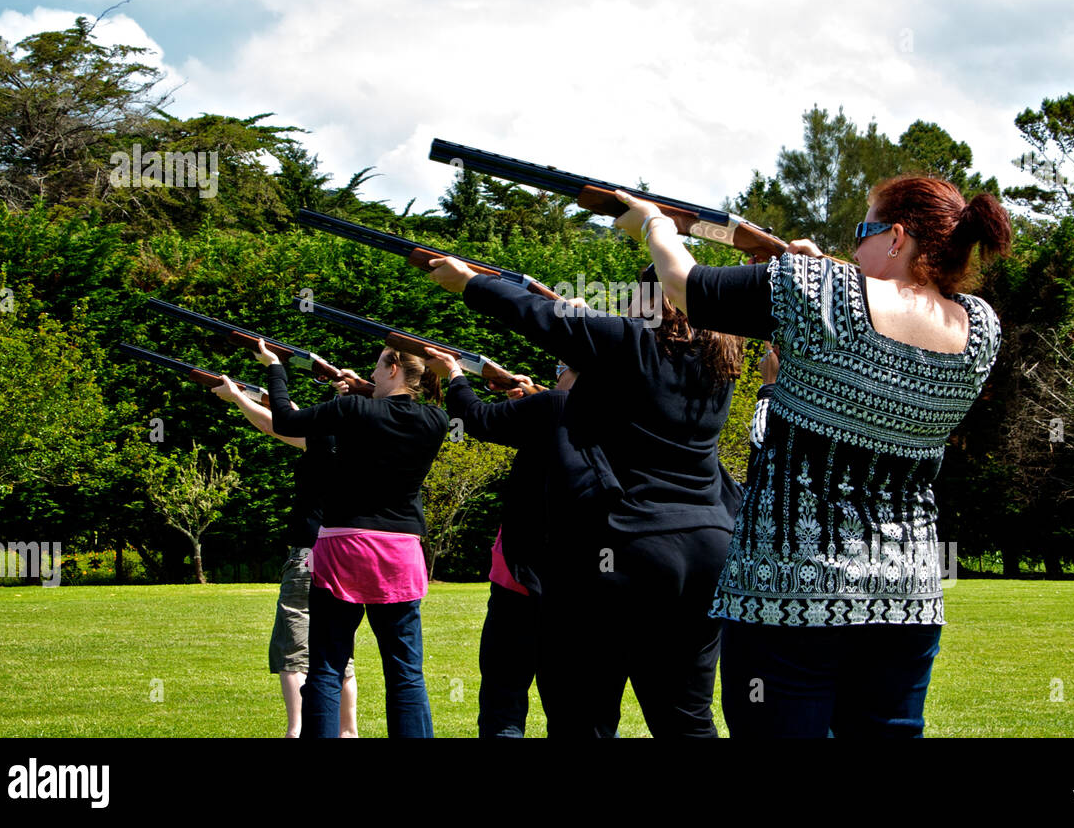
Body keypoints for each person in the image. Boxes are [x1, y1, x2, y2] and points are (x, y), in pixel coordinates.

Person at [614, 175, 1010, 738]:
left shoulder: (816, 288)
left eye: (862, 230)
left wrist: (654, 223)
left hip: (790, 588)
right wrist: (813, 272)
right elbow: (874, 334)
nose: (852, 248)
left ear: (896, 236)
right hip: (907, 593)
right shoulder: (982, 327)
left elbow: (683, 284)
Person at [425, 260, 744, 738]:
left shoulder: (633, 343)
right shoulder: (717, 362)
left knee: (583, 715)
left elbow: (540, 319)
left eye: (633, 297)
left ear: (657, 299)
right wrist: (582, 324)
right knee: (685, 716)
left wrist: (472, 282)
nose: (623, 307)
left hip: (631, 545)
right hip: (709, 547)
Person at [253, 338, 449, 738]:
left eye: (378, 366)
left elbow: (286, 421)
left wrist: (274, 367)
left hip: (343, 546)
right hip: (401, 551)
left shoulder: (352, 409)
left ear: (393, 368)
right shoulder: (436, 421)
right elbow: (392, 413)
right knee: (406, 673)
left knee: (325, 666)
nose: (372, 373)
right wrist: (361, 389)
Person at [420, 350, 578, 737]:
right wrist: (532, 393)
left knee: (503, 700)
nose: (555, 377)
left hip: (521, 577)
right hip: (585, 583)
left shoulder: (556, 403)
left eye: (560, 369)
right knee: (577, 707)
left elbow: (477, 419)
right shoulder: (623, 410)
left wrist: (455, 374)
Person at [211, 375, 357, 737]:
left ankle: (296, 729)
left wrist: (236, 398)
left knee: (294, 646)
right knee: (338, 646)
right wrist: (262, 395)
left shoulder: (325, 439)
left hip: (310, 552)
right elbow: (290, 417)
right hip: (345, 553)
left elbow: (272, 424)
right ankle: (348, 731)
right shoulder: (364, 439)